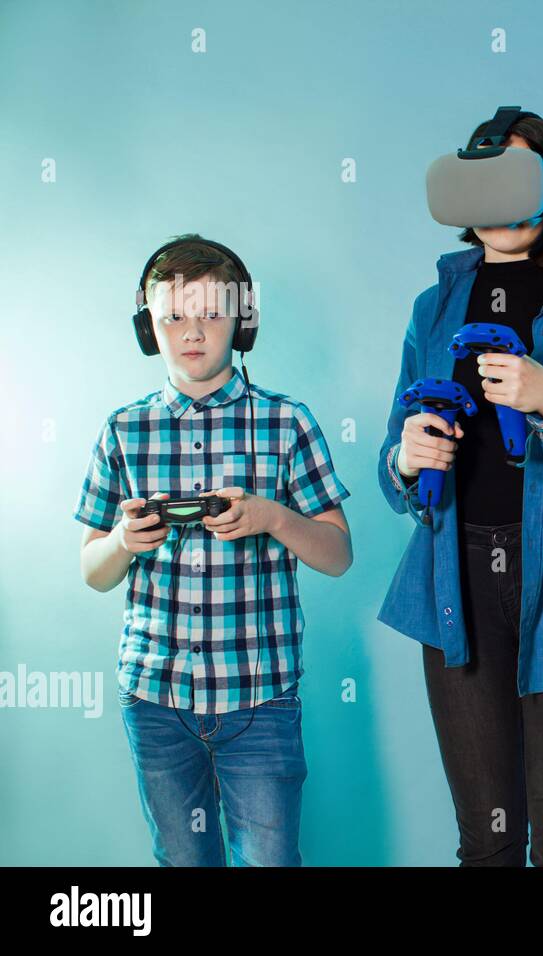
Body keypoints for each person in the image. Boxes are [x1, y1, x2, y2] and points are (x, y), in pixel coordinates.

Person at [376, 110, 543, 866]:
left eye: (519, 175)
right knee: (488, 841)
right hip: (453, 579)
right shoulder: (434, 305)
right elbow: (389, 461)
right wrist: (405, 459)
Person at [75, 235, 352, 865]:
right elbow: (93, 571)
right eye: (172, 315)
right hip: (155, 699)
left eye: (210, 312)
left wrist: (272, 517)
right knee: (182, 861)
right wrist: (123, 541)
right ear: (149, 327)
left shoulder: (287, 422)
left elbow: (337, 554)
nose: (191, 331)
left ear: (242, 321)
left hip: (260, 699)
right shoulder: (122, 429)